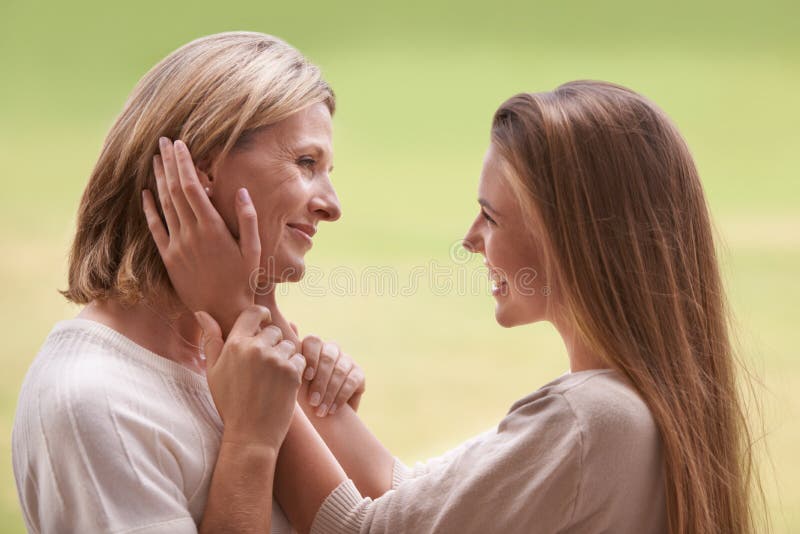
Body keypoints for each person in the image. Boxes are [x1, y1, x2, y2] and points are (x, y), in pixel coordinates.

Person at [156, 81, 763, 533]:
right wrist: (270, 318)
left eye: (492, 216)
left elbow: (361, 528)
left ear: (571, 237)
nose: (472, 238)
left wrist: (234, 313)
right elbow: (404, 492)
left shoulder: (591, 422)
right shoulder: (633, 412)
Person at [12, 31, 366, 533]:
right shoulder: (93, 402)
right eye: (306, 163)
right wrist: (249, 442)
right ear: (197, 169)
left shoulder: (234, 352)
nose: (332, 205)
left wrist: (321, 411)